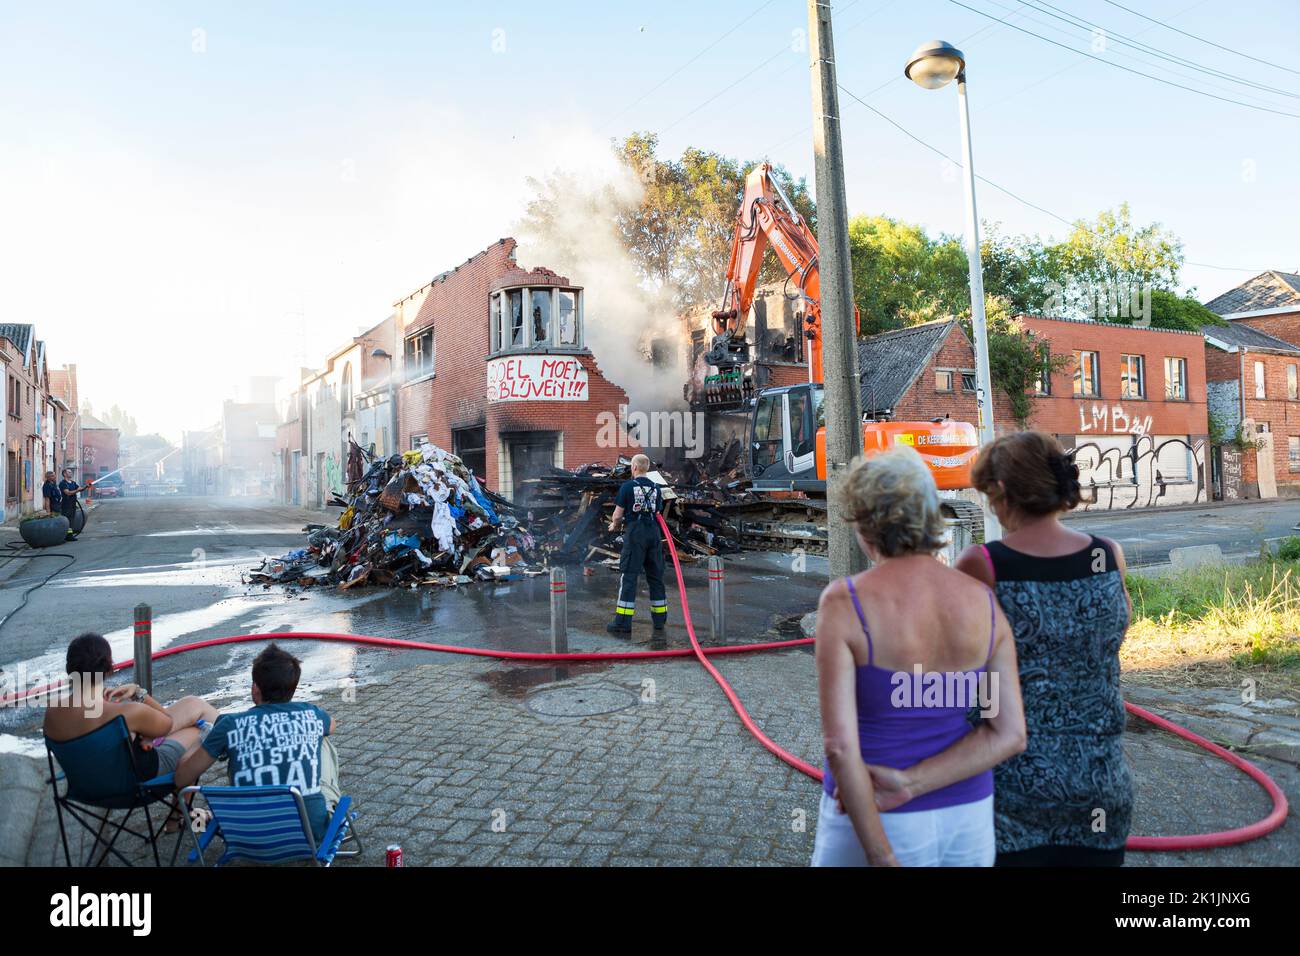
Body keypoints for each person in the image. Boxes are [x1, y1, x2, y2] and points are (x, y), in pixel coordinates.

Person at [811, 448, 1026, 867]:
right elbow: (1008, 733)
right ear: (930, 515)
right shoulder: (981, 601)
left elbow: (839, 746)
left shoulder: (845, 602)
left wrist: (882, 855)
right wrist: (911, 783)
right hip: (968, 820)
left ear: (864, 522)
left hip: (873, 816)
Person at [951, 431, 1133, 866]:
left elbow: (955, 673)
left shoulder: (983, 564)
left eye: (987, 496)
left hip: (1012, 792)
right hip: (1101, 784)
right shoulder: (1108, 556)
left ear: (1001, 492)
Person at [44, 633, 218, 826]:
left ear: (69, 669)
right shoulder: (125, 713)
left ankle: (177, 817)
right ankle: (179, 815)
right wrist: (138, 693)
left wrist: (139, 732)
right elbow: (167, 723)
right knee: (200, 729)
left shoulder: (52, 713)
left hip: (86, 788)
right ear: (108, 667)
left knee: (192, 704)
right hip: (138, 786)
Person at [175, 643, 340, 842]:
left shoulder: (228, 725)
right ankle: (328, 805)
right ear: (293, 688)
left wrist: (201, 738)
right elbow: (331, 726)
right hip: (310, 833)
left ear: (255, 688)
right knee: (320, 740)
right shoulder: (311, 714)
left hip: (248, 836)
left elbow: (181, 779)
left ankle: (224, 811)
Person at [605, 453, 668, 635]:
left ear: (633, 468)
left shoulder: (628, 487)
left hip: (636, 535)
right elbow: (658, 511)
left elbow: (617, 515)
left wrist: (614, 525)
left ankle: (623, 622)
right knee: (656, 577)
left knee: (629, 576)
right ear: (646, 468)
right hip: (654, 534)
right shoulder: (656, 488)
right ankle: (659, 621)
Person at [57, 468, 80, 539]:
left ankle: (70, 535)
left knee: (71, 520)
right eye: (69, 472)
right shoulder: (63, 483)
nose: (71, 473)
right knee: (66, 519)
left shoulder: (73, 483)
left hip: (73, 504)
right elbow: (68, 493)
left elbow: (79, 488)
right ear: (64, 474)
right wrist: (77, 490)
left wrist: (86, 487)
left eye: (71, 472)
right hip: (66, 504)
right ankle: (64, 535)